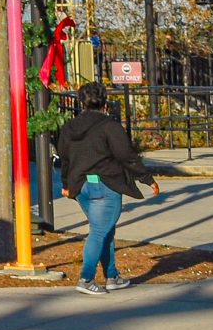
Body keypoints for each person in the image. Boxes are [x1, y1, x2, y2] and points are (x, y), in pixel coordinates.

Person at [57, 80, 160, 296]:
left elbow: (65, 159)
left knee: (105, 230)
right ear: (104, 103)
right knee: (99, 231)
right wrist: (147, 178)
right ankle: (86, 278)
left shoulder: (69, 127)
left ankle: (112, 276)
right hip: (105, 184)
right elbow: (126, 156)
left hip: (81, 186)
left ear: (81, 102)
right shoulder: (109, 126)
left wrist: (66, 184)